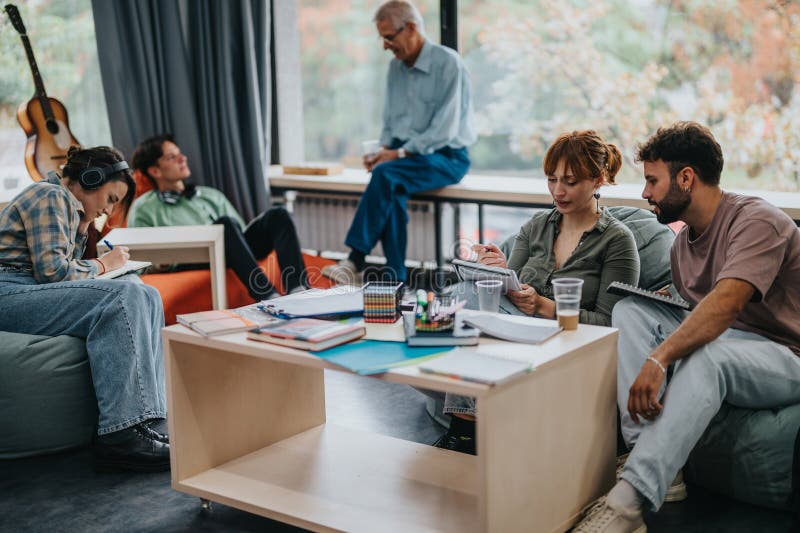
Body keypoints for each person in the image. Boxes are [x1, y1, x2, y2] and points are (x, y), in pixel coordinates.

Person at [573, 122, 800, 533]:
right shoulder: (682, 245)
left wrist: (660, 358)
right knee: (631, 310)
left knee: (710, 357)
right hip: (735, 342)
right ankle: (649, 455)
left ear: (686, 178)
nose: (645, 194)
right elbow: (696, 308)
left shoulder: (757, 221)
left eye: (651, 181)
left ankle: (628, 503)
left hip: (785, 356)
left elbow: (726, 303)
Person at [432, 130, 641, 454]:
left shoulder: (617, 240)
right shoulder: (536, 226)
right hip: (518, 332)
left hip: (572, 341)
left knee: (472, 305)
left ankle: (463, 433)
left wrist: (544, 306)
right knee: (471, 293)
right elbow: (509, 287)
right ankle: (466, 430)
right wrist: (497, 270)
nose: (558, 191)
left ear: (598, 180)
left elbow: (612, 325)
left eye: (570, 182)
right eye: (551, 179)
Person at [0, 146, 170, 471]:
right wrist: (104, 265)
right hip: (8, 292)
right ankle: (120, 437)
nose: (107, 211)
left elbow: (59, 271)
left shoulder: (69, 209)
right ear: (91, 179)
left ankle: (148, 418)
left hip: (26, 290)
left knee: (145, 294)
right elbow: (54, 274)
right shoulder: (49, 195)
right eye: (110, 200)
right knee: (122, 298)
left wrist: (83, 228)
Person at [322, 0, 476, 284]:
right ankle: (396, 281)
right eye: (382, 39)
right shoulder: (395, 69)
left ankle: (356, 259)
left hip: (448, 157)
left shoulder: (448, 63)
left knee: (386, 176)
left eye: (389, 37)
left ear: (412, 28)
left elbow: (445, 129)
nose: (385, 46)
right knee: (389, 187)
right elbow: (391, 122)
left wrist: (398, 154)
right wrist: (382, 150)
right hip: (407, 159)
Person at [128, 134, 308, 300]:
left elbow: (241, 234)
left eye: (179, 153)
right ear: (155, 171)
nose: (183, 159)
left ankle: (298, 289)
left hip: (232, 250)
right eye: (171, 157)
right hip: (193, 258)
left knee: (278, 214)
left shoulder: (210, 195)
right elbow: (137, 261)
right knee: (224, 224)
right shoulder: (144, 208)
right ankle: (267, 295)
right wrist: (162, 263)